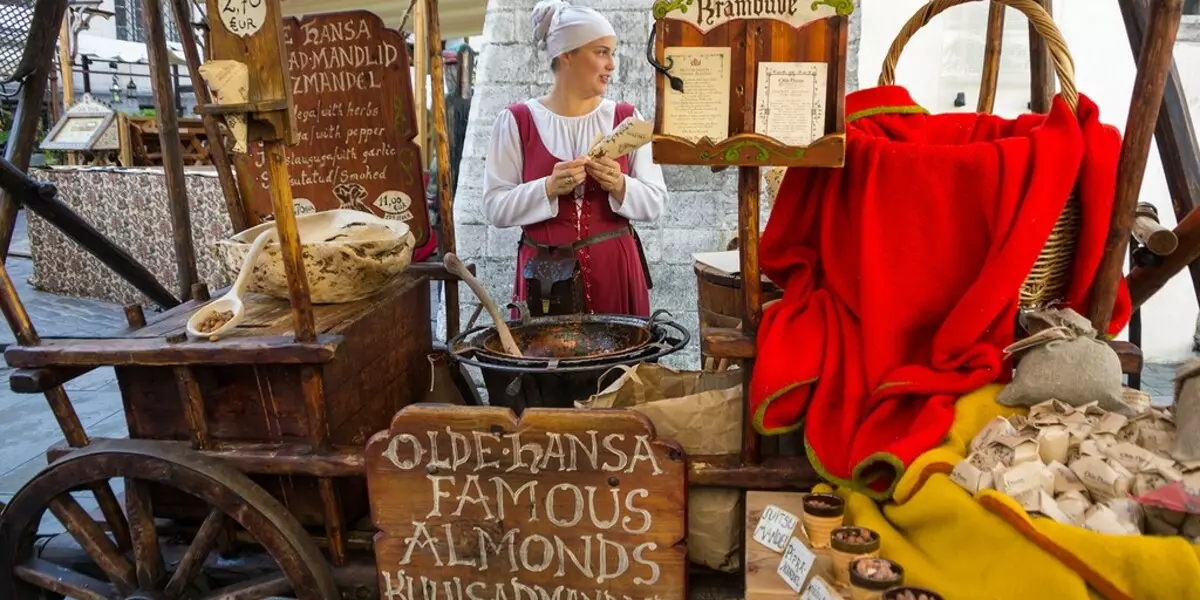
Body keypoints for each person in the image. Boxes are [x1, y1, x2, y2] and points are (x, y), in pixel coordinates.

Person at [482, 0, 667, 318]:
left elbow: (656, 202)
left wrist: (620, 184)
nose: (612, 65)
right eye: (601, 52)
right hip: (545, 280)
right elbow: (494, 208)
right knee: (549, 363)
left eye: (613, 53)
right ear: (567, 56)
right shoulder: (516, 121)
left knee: (619, 365)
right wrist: (547, 188)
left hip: (615, 271)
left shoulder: (625, 118)